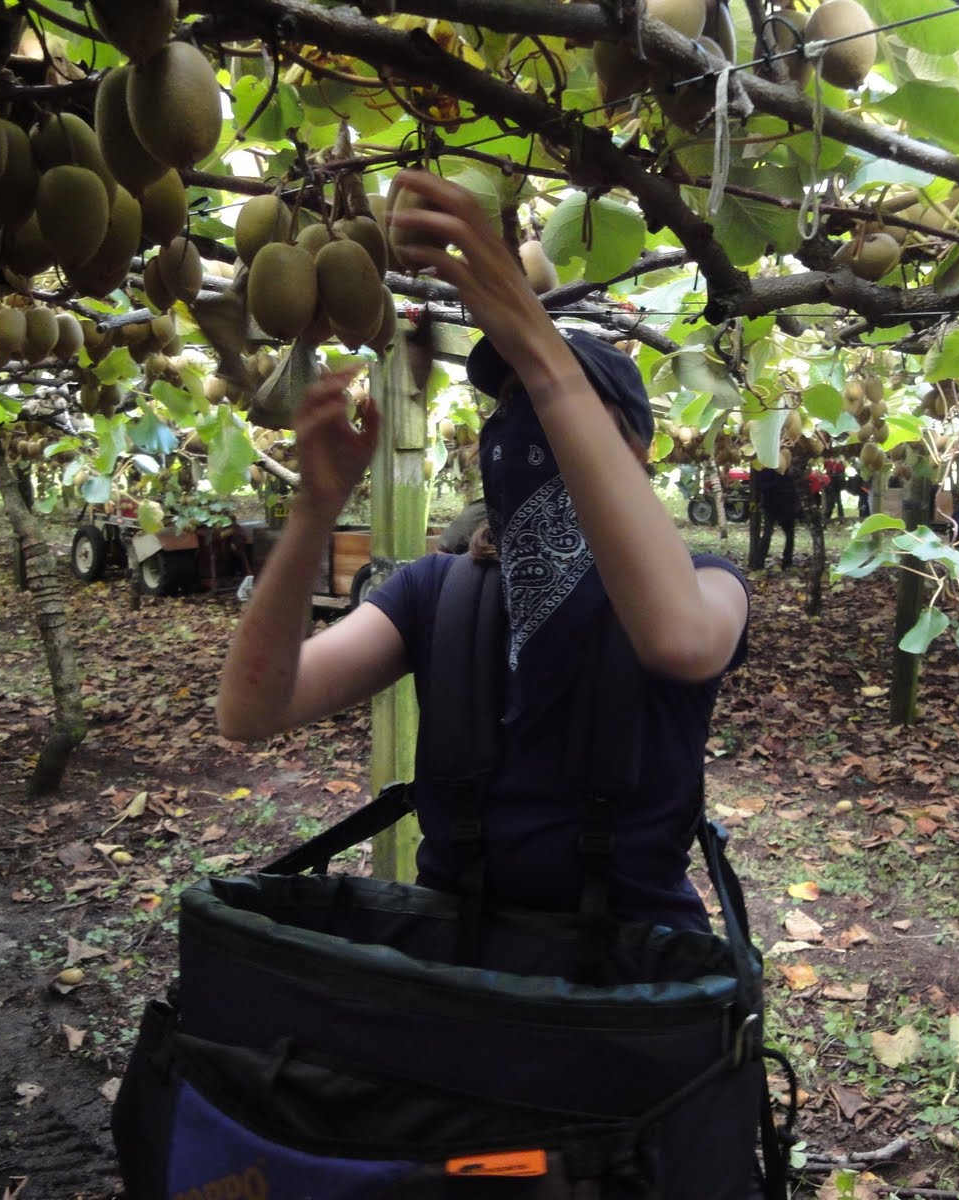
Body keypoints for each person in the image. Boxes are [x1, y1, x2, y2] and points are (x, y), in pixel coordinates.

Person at [216, 169, 750, 932]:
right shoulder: (437, 593)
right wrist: (313, 513)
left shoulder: (705, 586)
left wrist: (537, 344)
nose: (528, 417)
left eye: (560, 402)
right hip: (462, 984)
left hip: (632, 993)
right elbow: (251, 709)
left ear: (633, 453)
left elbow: (677, 641)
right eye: (511, 406)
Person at [749, 464, 803, 571]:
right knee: (770, 534)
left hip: (783, 503)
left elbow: (793, 485)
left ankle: (785, 562)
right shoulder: (770, 467)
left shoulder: (782, 465)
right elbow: (762, 486)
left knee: (787, 534)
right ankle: (761, 562)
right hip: (774, 504)